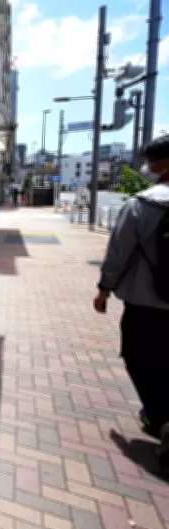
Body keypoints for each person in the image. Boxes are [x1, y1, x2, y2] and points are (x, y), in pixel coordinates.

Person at [94, 134, 169, 471]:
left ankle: (161, 419)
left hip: (147, 302)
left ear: (157, 164)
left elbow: (118, 253)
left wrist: (104, 289)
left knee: (139, 358)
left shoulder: (140, 205)